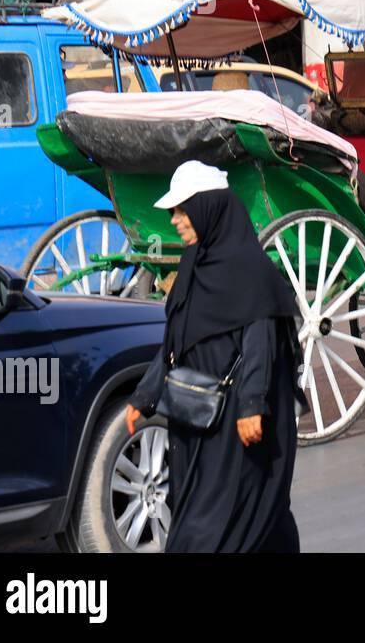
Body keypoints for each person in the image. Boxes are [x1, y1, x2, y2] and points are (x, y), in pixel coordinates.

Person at [126, 161, 303, 553]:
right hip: (194, 420)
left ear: (208, 208)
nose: (174, 220)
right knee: (246, 518)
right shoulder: (194, 264)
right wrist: (145, 395)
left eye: (181, 210)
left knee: (209, 528)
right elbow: (176, 342)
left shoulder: (252, 271)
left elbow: (260, 344)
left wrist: (251, 405)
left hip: (236, 425)